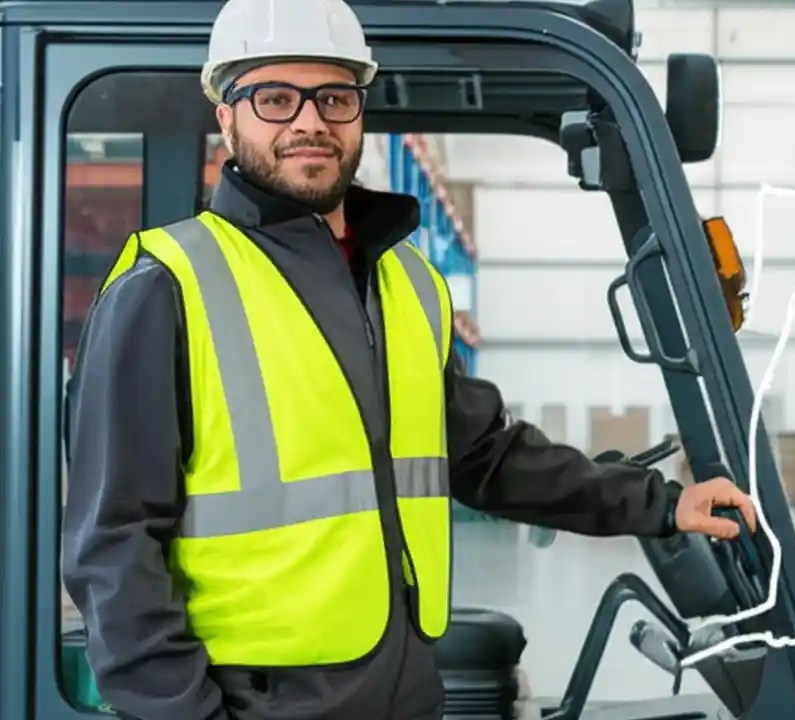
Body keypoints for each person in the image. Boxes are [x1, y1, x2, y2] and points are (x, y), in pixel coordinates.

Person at [60, 1, 758, 719]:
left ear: (360, 110)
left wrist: (665, 505)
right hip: (259, 703)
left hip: (403, 691)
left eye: (335, 97)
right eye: (274, 98)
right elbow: (114, 547)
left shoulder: (406, 281)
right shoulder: (168, 285)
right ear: (227, 117)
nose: (310, 122)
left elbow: (484, 456)